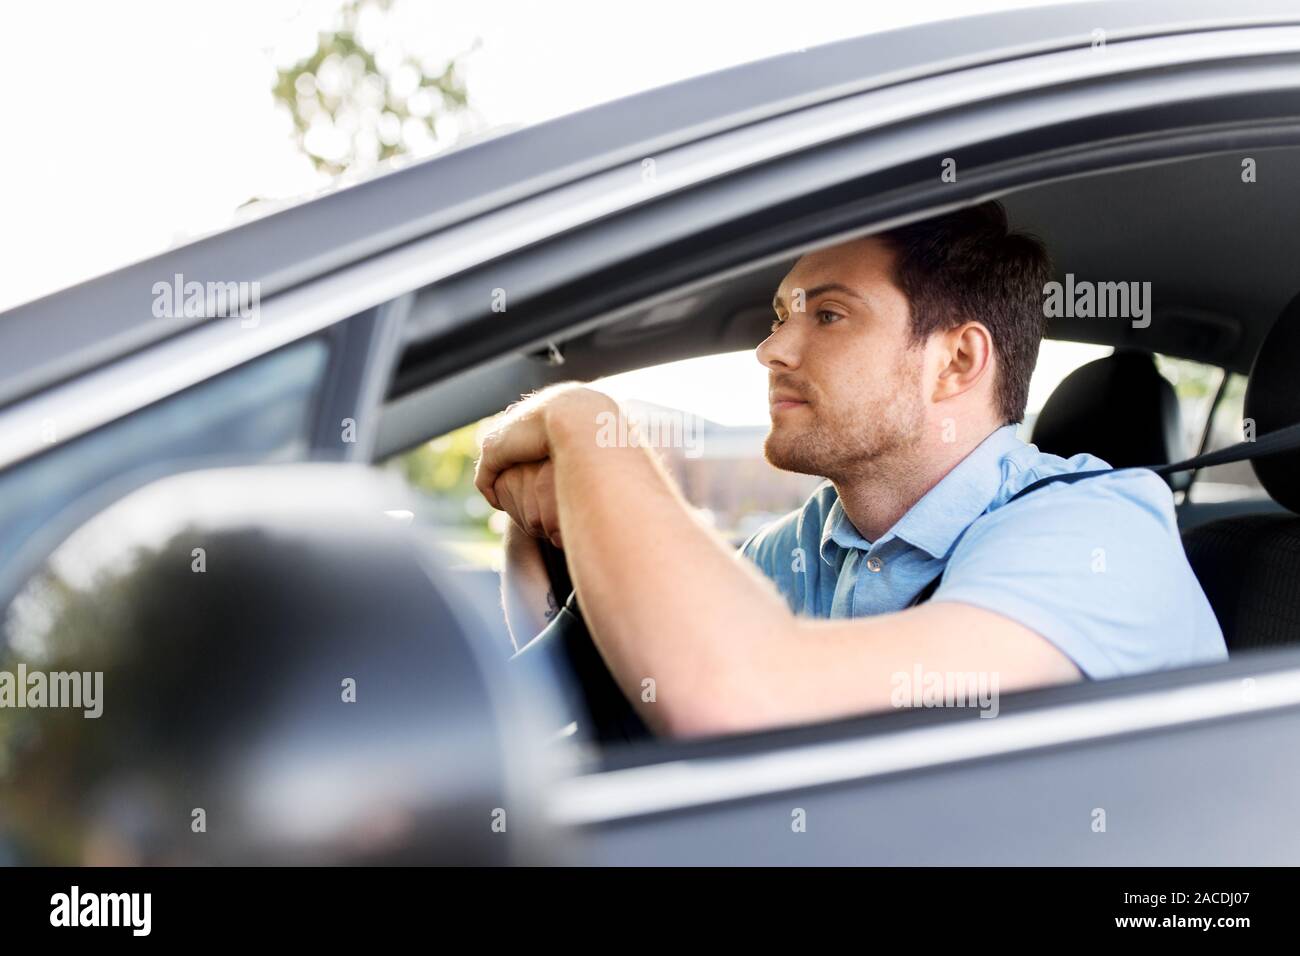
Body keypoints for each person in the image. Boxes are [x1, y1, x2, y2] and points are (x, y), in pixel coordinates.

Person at [477, 202, 1226, 738]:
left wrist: (584, 421)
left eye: (827, 315)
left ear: (956, 361)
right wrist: (544, 516)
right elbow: (555, 699)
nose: (771, 350)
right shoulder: (803, 546)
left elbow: (738, 694)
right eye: (780, 315)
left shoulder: (1099, 535)